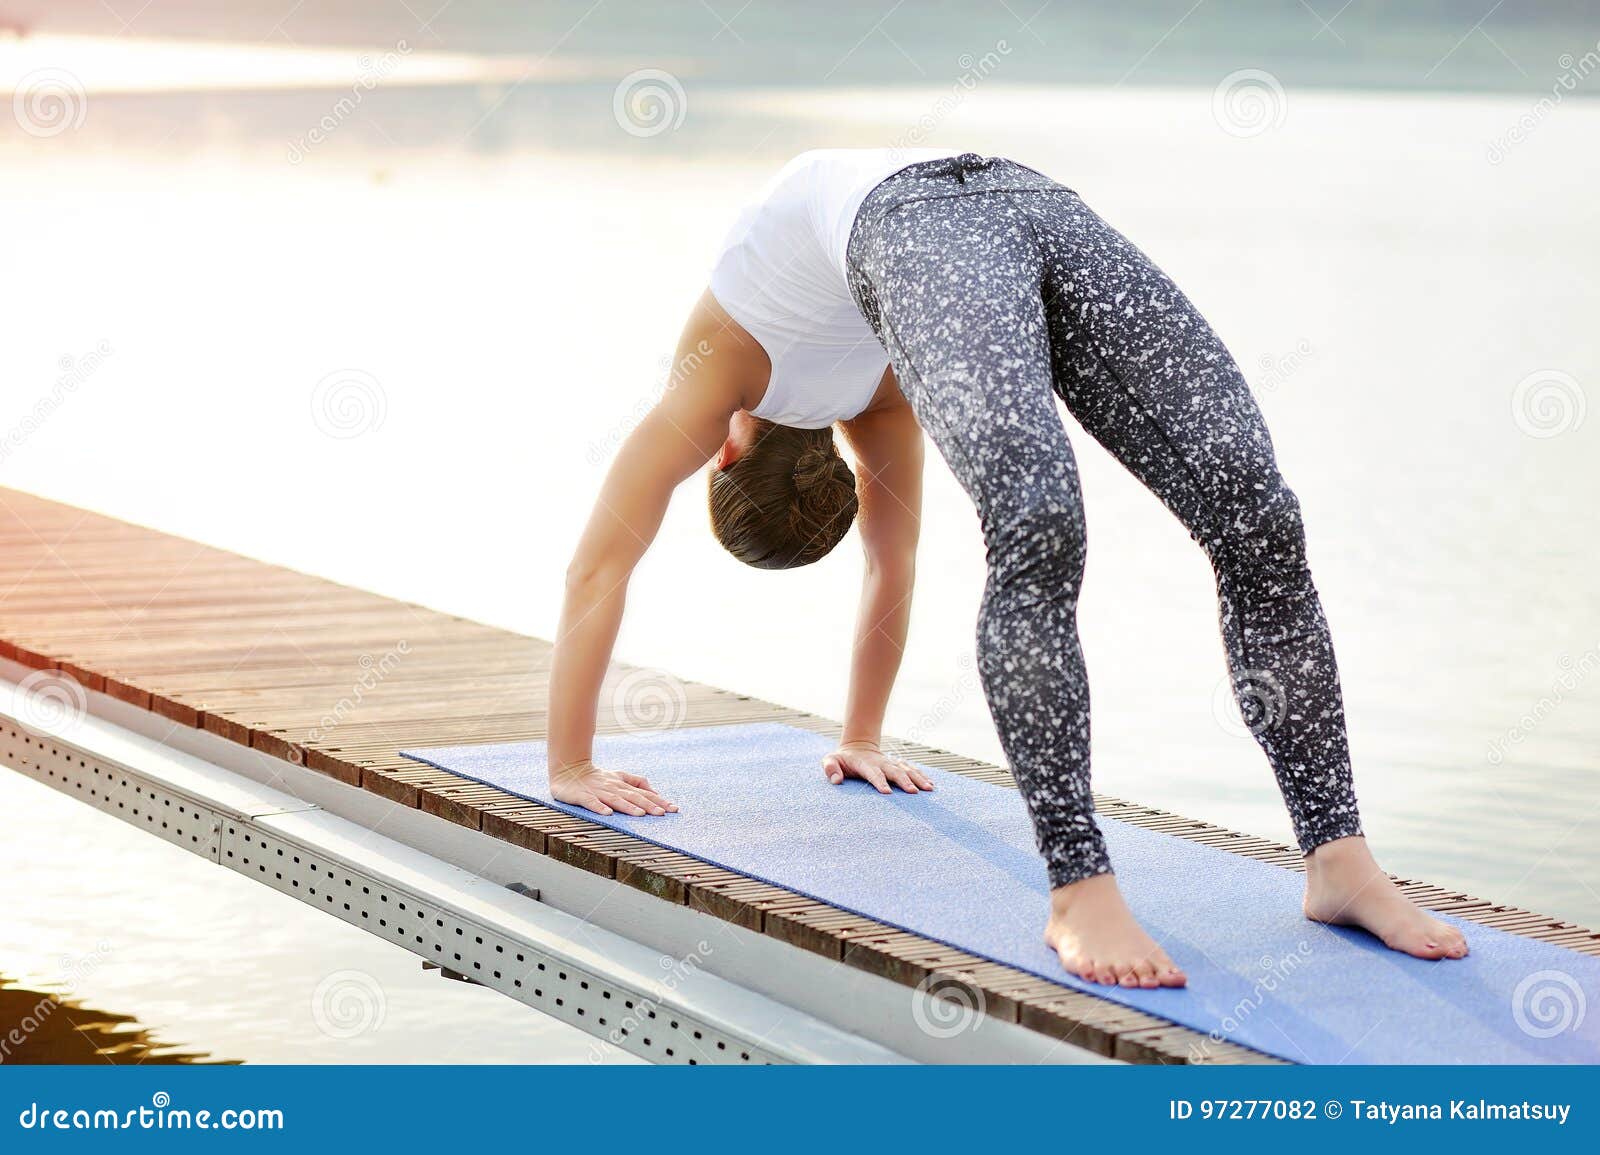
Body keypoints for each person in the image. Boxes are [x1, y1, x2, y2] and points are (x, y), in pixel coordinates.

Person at [548, 149, 1469, 988]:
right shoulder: (870, 394)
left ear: (727, 449)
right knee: (1248, 513)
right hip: (1016, 191)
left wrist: (573, 763)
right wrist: (858, 736)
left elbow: (613, 568)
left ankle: (1333, 858)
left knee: (1101, 515)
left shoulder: (720, 371)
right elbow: (885, 564)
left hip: (923, 221)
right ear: (730, 458)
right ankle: (1115, 882)